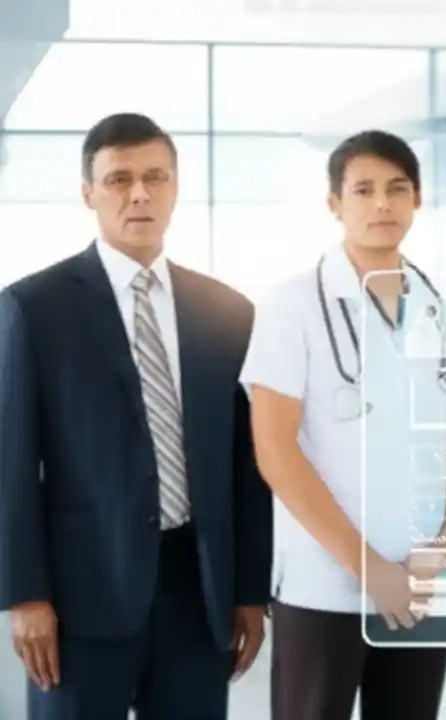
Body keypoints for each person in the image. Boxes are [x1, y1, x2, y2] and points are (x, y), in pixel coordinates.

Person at [0, 112, 272, 719]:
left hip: (198, 596)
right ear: (88, 194)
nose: (140, 193)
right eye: (119, 179)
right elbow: (12, 464)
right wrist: (24, 596)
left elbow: (245, 465)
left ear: (175, 188)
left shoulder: (228, 311)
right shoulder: (33, 308)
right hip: (80, 597)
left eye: (155, 177)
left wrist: (251, 590)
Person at [240, 130, 446, 719]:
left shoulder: (440, 309)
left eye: (397, 189)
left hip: (420, 585)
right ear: (334, 204)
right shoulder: (292, 304)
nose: (382, 204)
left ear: (417, 200)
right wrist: (371, 569)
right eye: (364, 190)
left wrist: (445, 548)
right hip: (325, 587)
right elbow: (275, 451)